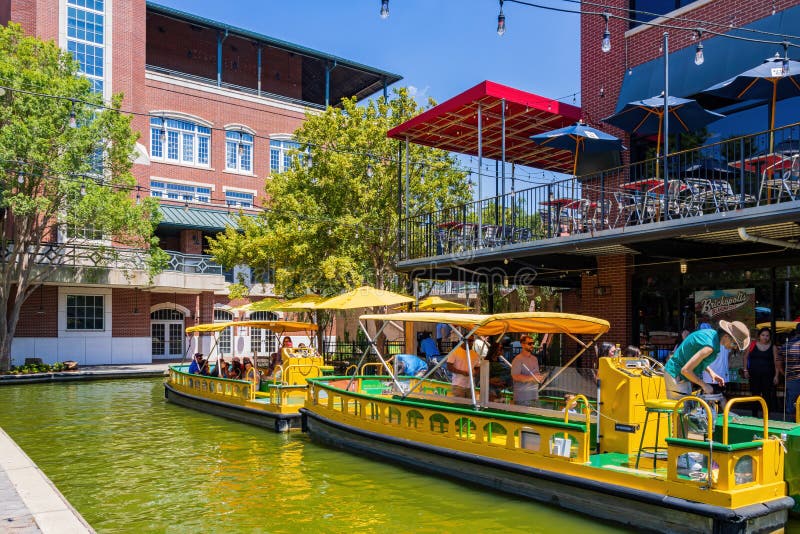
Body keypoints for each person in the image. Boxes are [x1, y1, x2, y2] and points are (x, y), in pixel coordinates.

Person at [664, 320, 750, 400]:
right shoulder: (709, 347)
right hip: (675, 373)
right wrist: (704, 385)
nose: (734, 347)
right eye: (734, 343)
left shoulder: (712, 335)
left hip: (680, 375)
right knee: (681, 409)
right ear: (726, 336)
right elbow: (685, 370)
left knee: (687, 407)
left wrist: (711, 372)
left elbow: (697, 358)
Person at [743, 327, 780, 415]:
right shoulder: (752, 344)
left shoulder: (773, 347)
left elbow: (776, 362)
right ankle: (754, 415)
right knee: (755, 395)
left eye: (767, 335)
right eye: (763, 335)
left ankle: (766, 416)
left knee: (767, 396)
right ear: (759, 336)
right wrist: (745, 370)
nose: (765, 337)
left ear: (770, 337)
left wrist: (776, 375)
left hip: (768, 376)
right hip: (754, 375)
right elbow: (745, 357)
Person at [511, 335, 548, 407]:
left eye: (533, 343)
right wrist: (532, 378)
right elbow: (515, 376)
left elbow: (536, 374)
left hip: (534, 396)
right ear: (522, 344)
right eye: (529, 343)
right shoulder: (517, 359)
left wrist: (541, 377)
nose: (532, 345)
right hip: (522, 398)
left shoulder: (534, 359)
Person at [781, 323, 800, 421]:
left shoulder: (786, 345)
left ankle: (792, 424)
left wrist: (784, 374)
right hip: (795, 379)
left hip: (791, 378)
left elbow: (778, 362)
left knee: (792, 405)